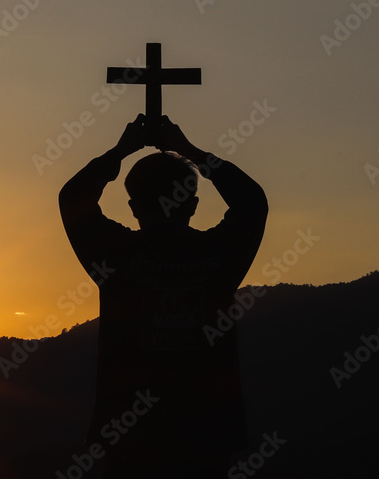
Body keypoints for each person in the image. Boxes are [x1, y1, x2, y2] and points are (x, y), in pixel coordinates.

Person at [58, 114, 268, 477]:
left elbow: (73, 198)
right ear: (192, 205)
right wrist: (191, 151)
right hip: (204, 437)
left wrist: (120, 152)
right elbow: (252, 203)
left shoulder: (116, 258)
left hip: (130, 439)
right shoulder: (219, 258)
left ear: (134, 208)